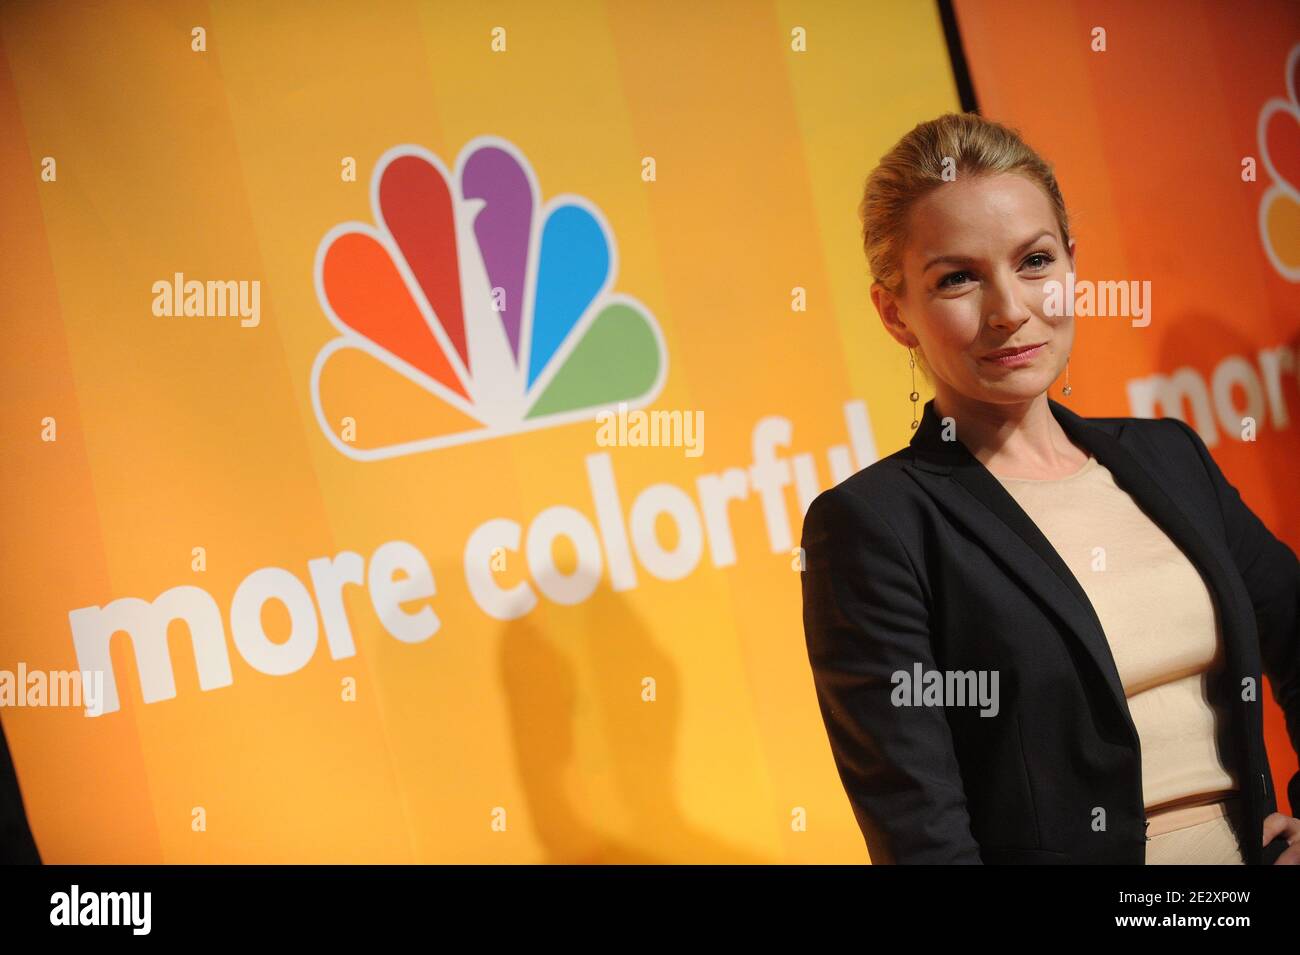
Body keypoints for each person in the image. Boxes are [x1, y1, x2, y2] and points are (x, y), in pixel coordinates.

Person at [800, 111, 1300, 864]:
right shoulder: (874, 528)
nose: (1010, 310)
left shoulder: (1169, 456)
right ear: (894, 310)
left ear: (1072, 263)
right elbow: (921, 831)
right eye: (958, 278)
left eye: (1034, 261)